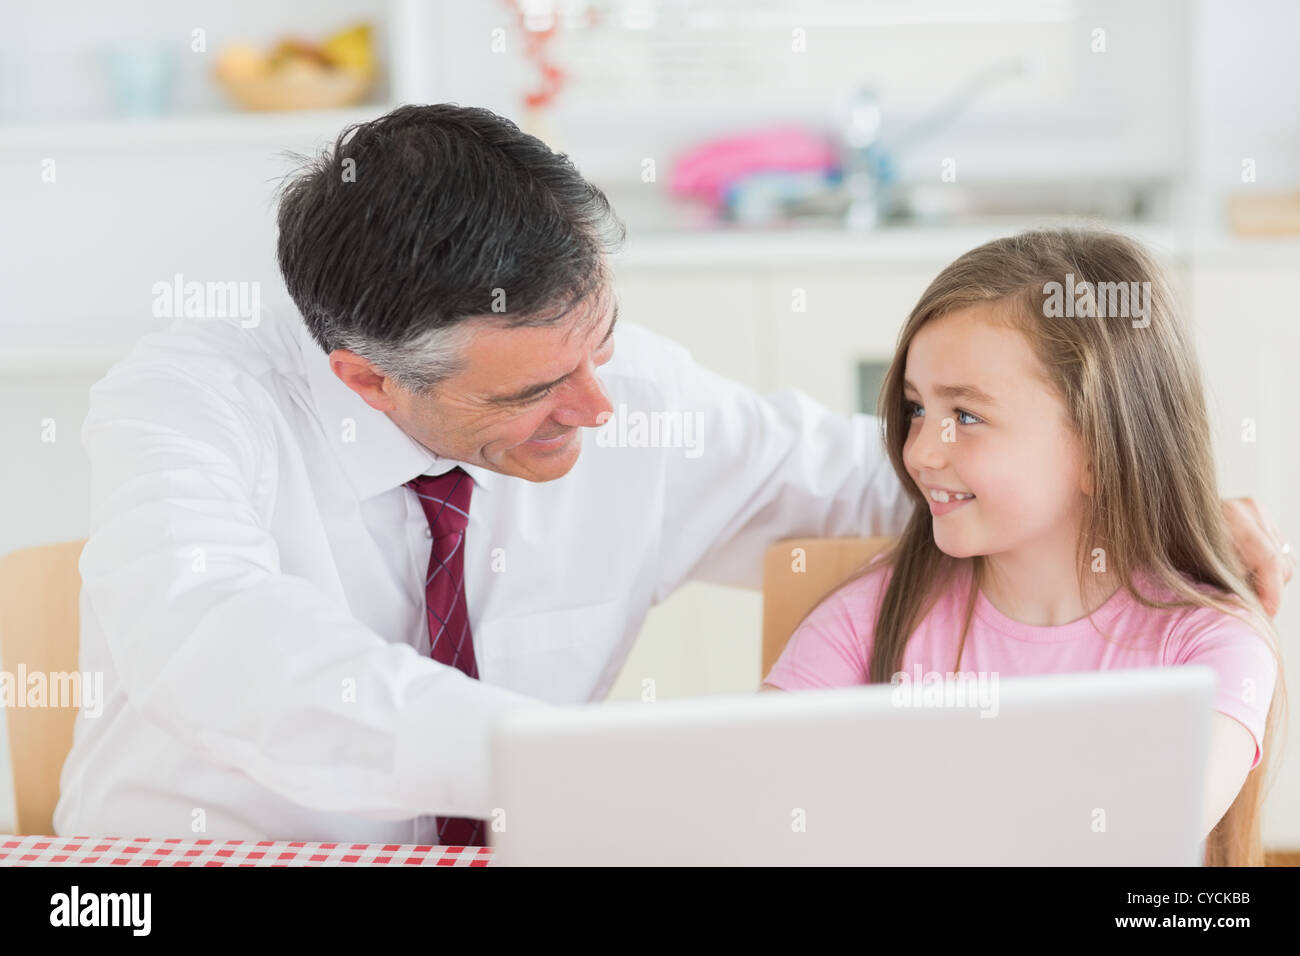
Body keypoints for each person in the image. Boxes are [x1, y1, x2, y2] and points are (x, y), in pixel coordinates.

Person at [55, 105, 1292, 848]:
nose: (599, 406)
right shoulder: (192, 401)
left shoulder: (629, 390)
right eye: (534, 392)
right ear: (371, 381)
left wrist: (1151, 505)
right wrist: (574, 771)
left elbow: (900, 482)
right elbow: (221, 642)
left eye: (599, 345)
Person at [761, 228, 1289, 866]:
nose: (921, 450)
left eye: (968, 416)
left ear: (1101, 450)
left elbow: (1128, 840)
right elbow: (755, 807)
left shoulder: (1210, 643)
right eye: (917, 408)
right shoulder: (866, 618)